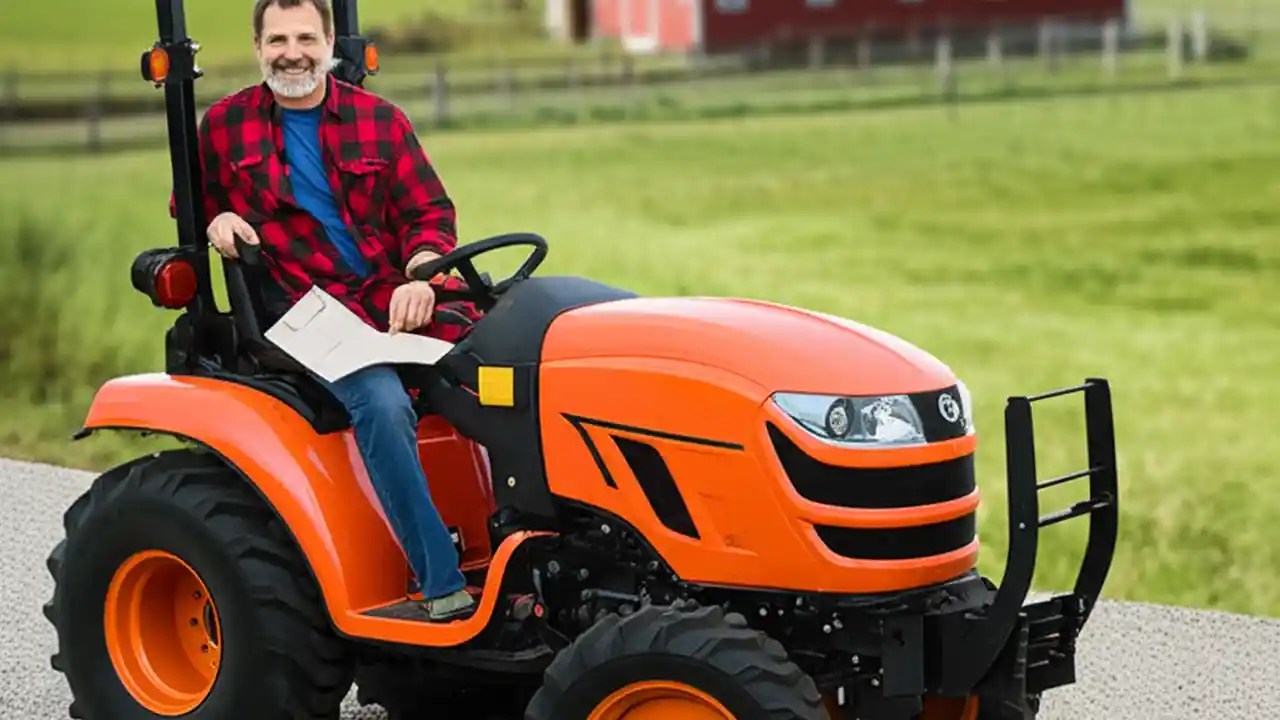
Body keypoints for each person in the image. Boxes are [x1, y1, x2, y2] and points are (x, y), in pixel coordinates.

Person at [188, 0, 478, 621]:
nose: (292, 53)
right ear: (258, 47)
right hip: (304, 310)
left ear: (328, 44)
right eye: (277, 40)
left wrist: (423, 273)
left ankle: (532, 544)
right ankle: (441, 583)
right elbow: (194, 203)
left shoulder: (380, 121)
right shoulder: (225, 126)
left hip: (389, 296)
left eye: (305, 38)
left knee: (508, 363)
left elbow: (428, 214)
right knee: (381, 403)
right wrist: (219, 219)